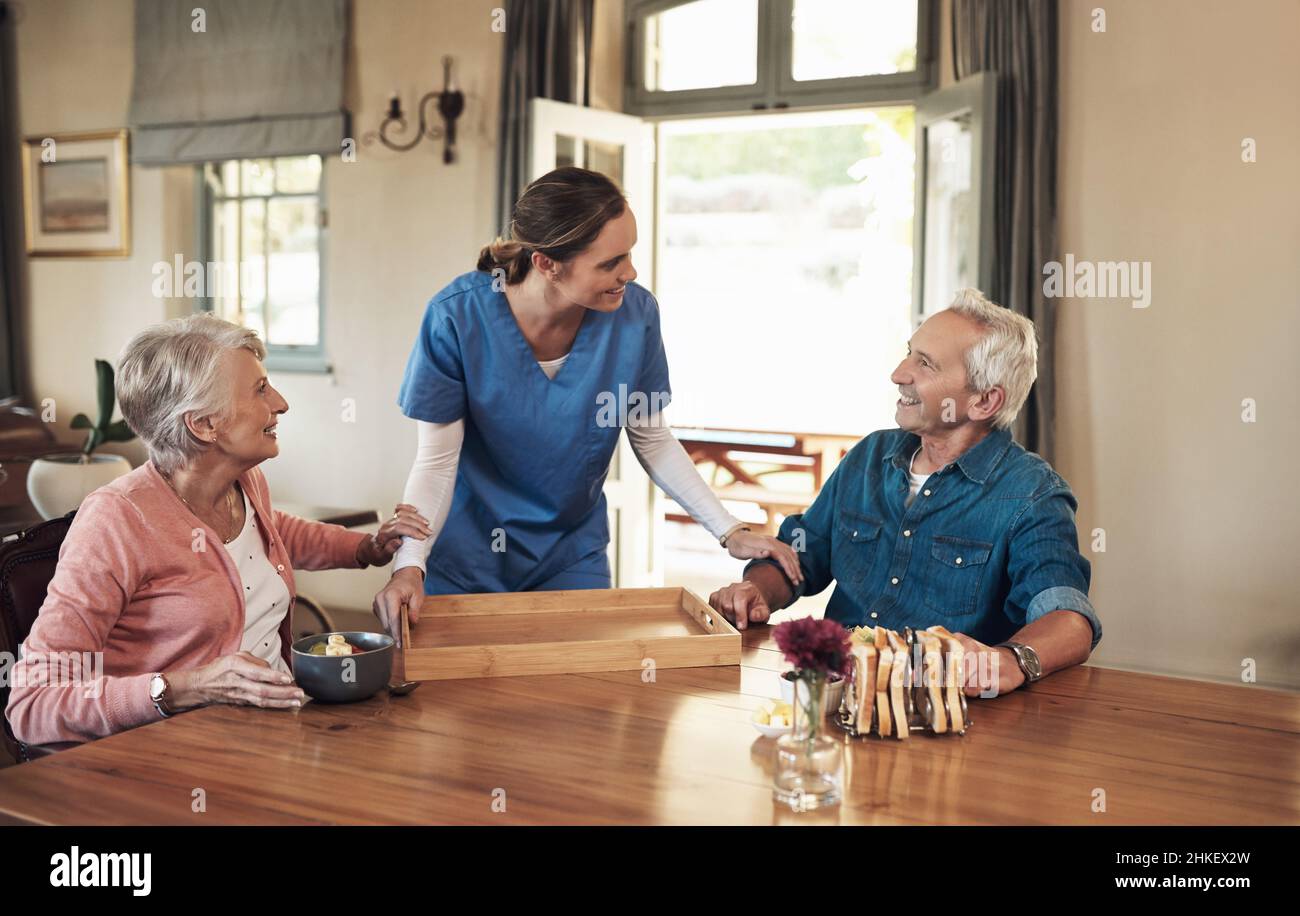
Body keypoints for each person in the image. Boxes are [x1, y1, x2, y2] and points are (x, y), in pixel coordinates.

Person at [372, 167, 801, 642]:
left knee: (583, 701)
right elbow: (436, 462)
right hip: (469, 554)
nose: (630, 272)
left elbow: (652, 439)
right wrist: (409, 564)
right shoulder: (456, 318)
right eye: (610, 262)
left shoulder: (635, 315)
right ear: (547, 263)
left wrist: (729, 530)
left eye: (630, 254)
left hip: (571, 554)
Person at [5, 315, 423, 745]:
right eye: (260, 389)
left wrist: (367, 547)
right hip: (182, 756)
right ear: (204, 425)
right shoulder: (116, 521)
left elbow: (273, 533)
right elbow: (33, 705)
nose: (280, 403)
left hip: (277, 729)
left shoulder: (243, 483)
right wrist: (185, 687)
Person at [708, 289, 1102, 697]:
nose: (899, 373)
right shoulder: (869, 456)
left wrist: (1011, 660)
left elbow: (1069, 619)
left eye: (925, 364)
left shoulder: (1032, 494)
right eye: (910, 353)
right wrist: (757, 592)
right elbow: (800, 555)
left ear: (985, 401)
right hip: (835, 697)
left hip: (945, 714)